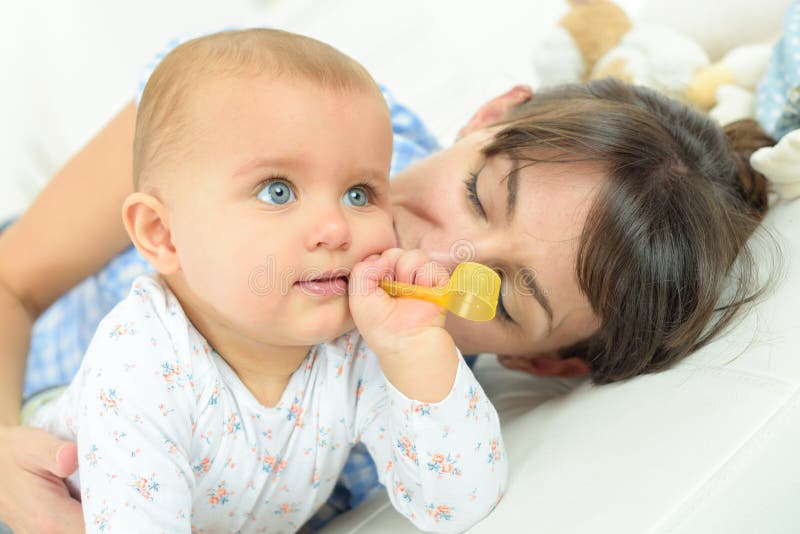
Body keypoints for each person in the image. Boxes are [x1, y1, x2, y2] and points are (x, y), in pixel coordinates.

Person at [0, 33, 773, 531]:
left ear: (546, 364)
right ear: (488, 117)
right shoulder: (281, 112)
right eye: (475, 192)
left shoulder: (409, 388)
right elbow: (13, 282)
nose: (428, 257)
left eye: (495, 294)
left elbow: (452, 497)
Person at [20, 28, 507, 533]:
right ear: (163, 234)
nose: (336, 228)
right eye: (277, 191)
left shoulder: (358, 352)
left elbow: (457, 505)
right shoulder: (139, 363)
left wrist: (416, 352)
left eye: (359, 194)